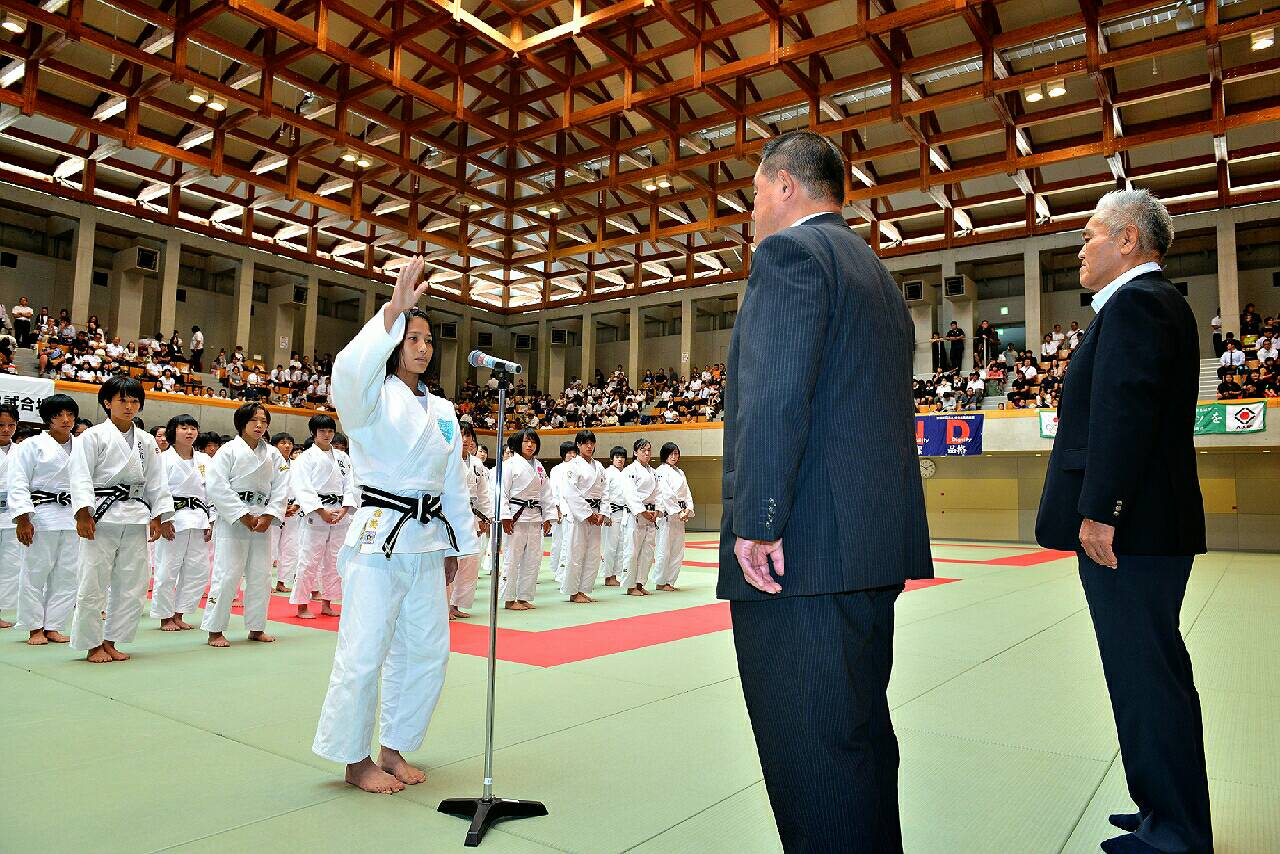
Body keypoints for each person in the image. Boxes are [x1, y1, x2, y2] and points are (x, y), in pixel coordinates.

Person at [719, 130, 932, 853]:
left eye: (753, 193)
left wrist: (759, 520)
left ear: (784, 185)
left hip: (802, 557)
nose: (751, 211)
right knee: (860, 743)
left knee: (811, 758)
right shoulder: (872, 271)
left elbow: (777, 396)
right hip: (866, 551)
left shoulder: (790, 255)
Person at [1036, 188, 1211, 854]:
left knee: (1147, 682)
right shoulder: (1144, 306)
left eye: (1089, 235)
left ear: (1128, 240)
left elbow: (1125, 416)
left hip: (1132, 531)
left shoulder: (1138, 304)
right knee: (1141, 680)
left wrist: (1101, 512)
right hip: (1142, 529)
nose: (1081, 248)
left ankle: (1175, 834)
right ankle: (1161, 811)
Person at [311, 256, 478, 795]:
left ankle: (393, 747)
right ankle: (354, 758)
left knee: (428, 649)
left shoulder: (446, 412)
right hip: (379, 538)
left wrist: (458, 542)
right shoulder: (369, 399)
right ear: (393, 345)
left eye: (429, 339)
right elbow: (349, 372)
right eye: (412, 338)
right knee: (363, 652)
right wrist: (391, 310)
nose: (423, 347)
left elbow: (452, 483)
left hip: (427, 543)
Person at [68, 377, 175, 662]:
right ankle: (91, 643)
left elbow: (157, 481)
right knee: (93, 581)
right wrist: (82, 513)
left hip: (136, 515)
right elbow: (79, 477)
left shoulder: (146, 440)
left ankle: (111, 639)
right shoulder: (91, 437)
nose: (129, 407)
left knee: (134, 583)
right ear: (107, 402)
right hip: (101, 517)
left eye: (134, 402)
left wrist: (159, 515)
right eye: (122, 401)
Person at [201, 402, 287, 647]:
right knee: (227, 574)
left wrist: (269, 515)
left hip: (262, 519)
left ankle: (256, 627)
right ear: (242, 423)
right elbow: (217, 486)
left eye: (263, 421)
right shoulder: (227, 451)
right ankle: (215, 629)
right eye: (254, 421)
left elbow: (282, 486)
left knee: (261, 575)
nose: (260, 425)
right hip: (235, 519)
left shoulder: (273, 454)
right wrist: (242, 515)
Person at [9, 395, 80, 644]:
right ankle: (34, 627)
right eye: (58, 415)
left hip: (73, 517)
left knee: (68, 574)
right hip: (41, 515)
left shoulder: (81, 446)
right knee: (35, 572)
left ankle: (54, 625)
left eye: (70, 414)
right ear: (47, 419)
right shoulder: (32, 445)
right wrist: (22, 519)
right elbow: (17, 482)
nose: (66, 420)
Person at [290, 414, 357, 620]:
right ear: (313, 433)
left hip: (339, 512)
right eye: (322, 431)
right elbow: (303, 488)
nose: (326, 435)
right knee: (309, 559)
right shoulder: (305, 458)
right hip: (317, 512)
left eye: (330, 431)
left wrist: (346, 508)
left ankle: (328, 602)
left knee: (335, 560)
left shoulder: (343, 458)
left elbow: (350, 485)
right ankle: (302, 605)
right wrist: (321, 511)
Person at [150, 414, 213, 631]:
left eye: (193, 428)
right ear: (172, 431)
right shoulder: (162, 459)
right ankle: (165, 616)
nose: (189, 432)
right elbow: (157, 491)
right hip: (173, 519)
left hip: (198, 518)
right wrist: (163, 519)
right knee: (167, 569)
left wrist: (210, 520)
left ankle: (179, 612)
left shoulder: (205, 460)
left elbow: (211, 493)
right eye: (183, 427)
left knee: (198, 570)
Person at [498, 428, 554, 610]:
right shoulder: (509, 465)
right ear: (517, 444)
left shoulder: (539, 467)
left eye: (533, 441)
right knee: (512, 558)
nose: (530, 445)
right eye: (526, 441)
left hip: (534, 517)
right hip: (516, 517)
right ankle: (508, 598)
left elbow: (546, 494)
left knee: (533, 558)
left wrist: (548, 517)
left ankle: (524, 596)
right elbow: (501, 493)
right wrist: (505, 516)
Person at [447, 423, 491, 620]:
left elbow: (483, 494)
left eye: (468, 436)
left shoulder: (477, 464)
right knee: (449, 561)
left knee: (470, 562)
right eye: (461, 435)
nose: (465, 440)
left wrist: (485, 517)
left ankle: (457, 604)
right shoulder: (447, 459)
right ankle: (444, 605)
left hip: (472, 515)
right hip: (450, 515)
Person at [560, 430, 609, 604]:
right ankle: (573, 592)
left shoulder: (599, 467)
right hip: (580, 515)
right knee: (576, 553)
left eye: (591, 442)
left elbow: (605, 492)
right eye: (585, 443)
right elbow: (570, 492)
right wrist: (587, 514)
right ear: (578, 445)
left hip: (596, 514)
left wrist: (603, 512)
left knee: (593, 554)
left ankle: (584, 589)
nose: (589, 446)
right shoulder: (573, 465)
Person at [652, 442, 694, 591]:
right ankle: (660, 581)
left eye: (676, 453)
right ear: (665, 455)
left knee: (678, 550)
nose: (674, 456)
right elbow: (665, 494)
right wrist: (678, 511)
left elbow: (687, 493)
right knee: (664, 549)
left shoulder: (680, 472)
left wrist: (688, 508)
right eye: (671, 454)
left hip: (680, 515)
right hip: (668, 515)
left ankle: (670, 581)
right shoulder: (661, 471)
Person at [622, 438, 660, 596]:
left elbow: (659, 493)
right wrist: (643, 511)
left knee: (647, 552)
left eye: (649, 450)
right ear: (635, 452)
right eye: (643, 450)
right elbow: (629, 494)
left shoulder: (654, 472)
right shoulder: (629, 470)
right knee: (632, 551)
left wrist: (657, 510)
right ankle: (630, 586)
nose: (646, 453)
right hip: (636, 515)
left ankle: (640, 583)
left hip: (651, 515)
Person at [269, 433, 301, 593]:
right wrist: (280, 507)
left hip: (293, 510)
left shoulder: (298, 465)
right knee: (270, 546)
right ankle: (265, 583)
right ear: (274, 446)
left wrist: (296, 505)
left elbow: (305, 487)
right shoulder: (268, 463)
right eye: (283, 443)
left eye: (290, 443)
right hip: (273, 510)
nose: (287, 446)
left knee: (290, 547)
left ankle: (282, 581)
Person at [0, 405, 20, 628]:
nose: (6, 429)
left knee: (9, 566)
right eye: (1, 425)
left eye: (11, 425)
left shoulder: (21, 450)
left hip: (12, 516)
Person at [598, 445, 629, 587]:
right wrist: (606, 514)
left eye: (622, 457)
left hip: (624, 514)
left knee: (621, 546)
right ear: (612, 459)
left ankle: (616, 575)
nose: (620, 459)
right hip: (611, 513)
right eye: (617, 457)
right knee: (609, 547)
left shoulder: (627, 473)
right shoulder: (607, 472)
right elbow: (603, 495)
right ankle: (607, 576)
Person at [547, 440, 577, 584]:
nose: (572, 455)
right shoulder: (557, 469)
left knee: (570, 542)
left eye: (574, 452)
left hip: (575, 510)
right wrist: (556, 509)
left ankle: (566, 571)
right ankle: (557, 570)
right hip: (560, 510)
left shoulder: (578, 468)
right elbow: (554, 491)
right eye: (569, 452)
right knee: (559, 542)